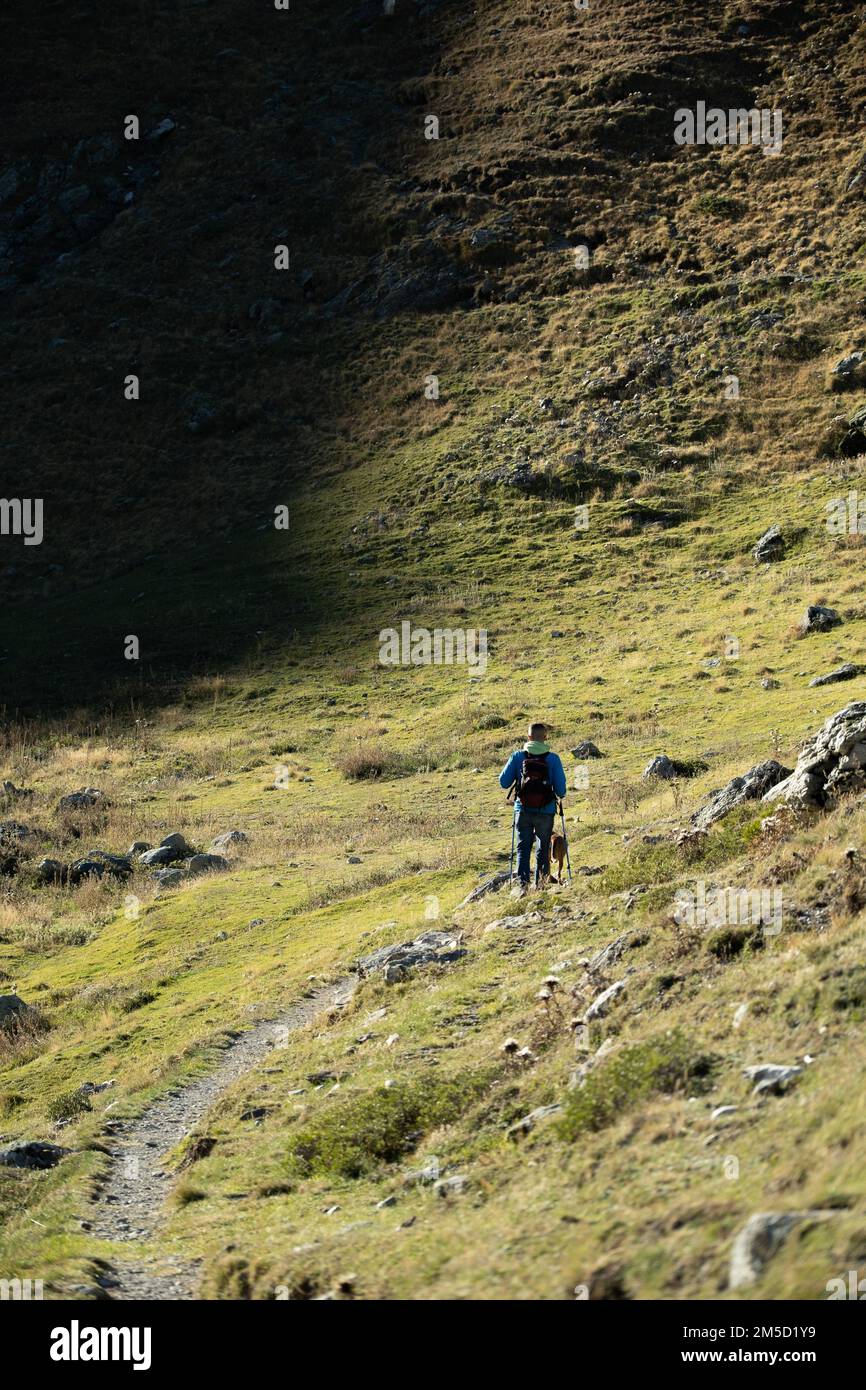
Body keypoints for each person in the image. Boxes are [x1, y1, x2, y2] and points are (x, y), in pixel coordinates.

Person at [499, 722, 567, 896]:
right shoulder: (553, 759)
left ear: (528, 737)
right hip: (546, 810)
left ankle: (522, 886)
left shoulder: (517, 757)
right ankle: (541, 884)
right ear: (545, 737)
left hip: (522, 809)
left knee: (523, 847)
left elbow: (503, 782)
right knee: (543, 846)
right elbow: (561, 790)